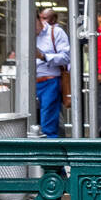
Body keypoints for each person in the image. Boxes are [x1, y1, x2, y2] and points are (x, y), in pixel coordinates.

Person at [35, 7, 71, 139]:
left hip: (50, 81)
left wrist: (44, 56)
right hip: (32, 82)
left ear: (38, 19)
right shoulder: (28, 36)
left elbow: (66, 57)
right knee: (32, 123)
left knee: (48, 124)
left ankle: (51, 153)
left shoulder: (55, 32)